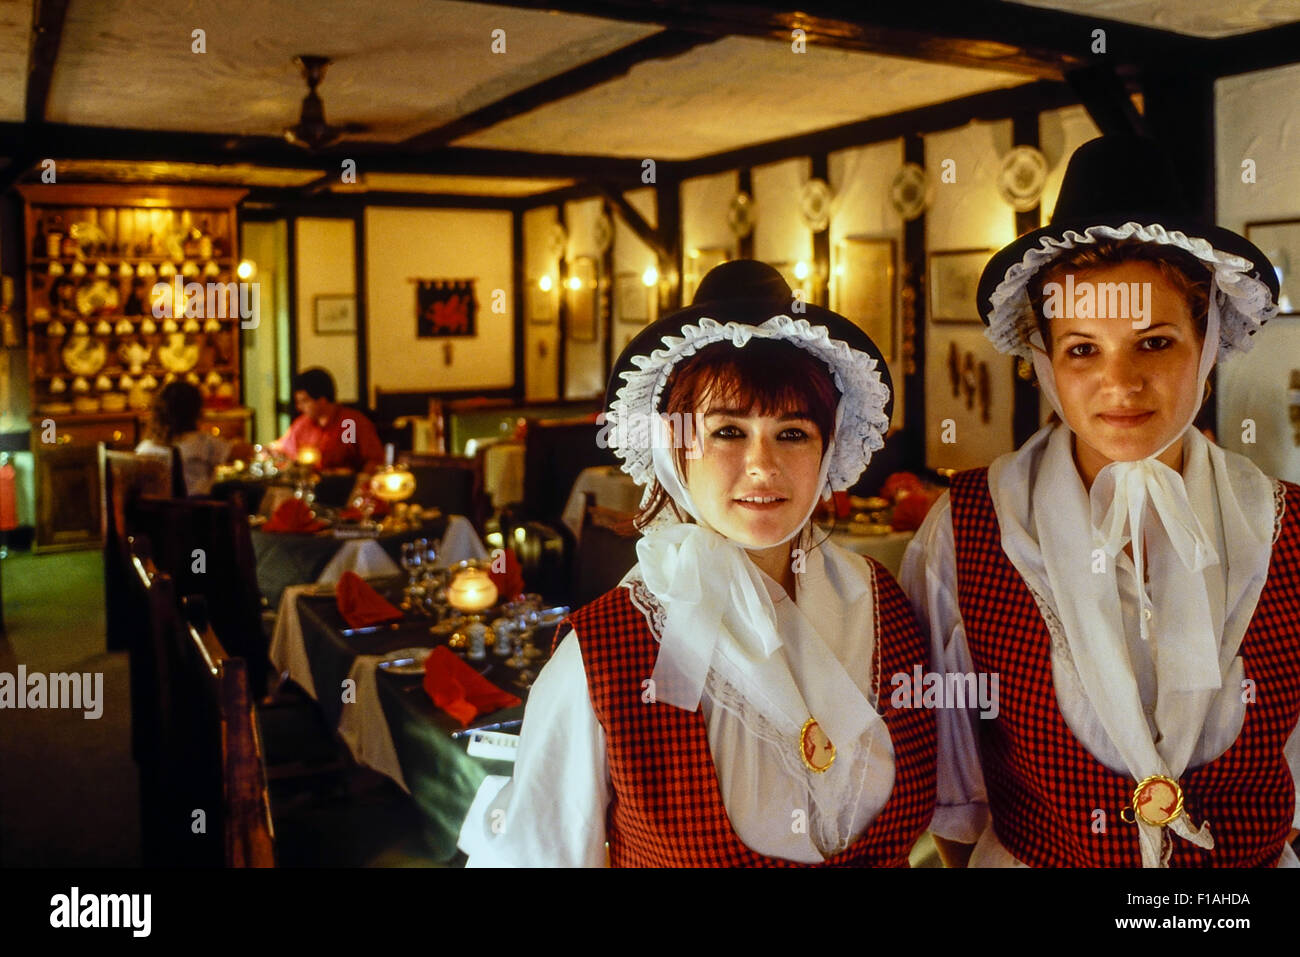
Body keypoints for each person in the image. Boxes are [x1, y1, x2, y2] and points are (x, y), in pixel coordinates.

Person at [901, 135, 1300, 868]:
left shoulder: (1290, 531)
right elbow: (955, 805)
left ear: (1206, 344)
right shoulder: (968, 529)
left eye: (1154, 342)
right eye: (1083, 348)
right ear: (1045, 356)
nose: (1121, 384)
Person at [459, 260, 936, 866]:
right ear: (674, 448)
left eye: (792, 433)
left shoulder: (886, 606)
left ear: (828, 448)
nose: (762, 466)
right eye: (728, 432)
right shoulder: (605, 652)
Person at [136, 380, 253, 496]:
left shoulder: (144, 448)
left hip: (157, 511)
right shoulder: (202, 442)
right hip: (199, 509)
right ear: (195, 411)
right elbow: (244, 453)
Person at [272, 367, 384, 472]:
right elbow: (282, 447)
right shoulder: (303, 423)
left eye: (304, 401)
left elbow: (375, 460)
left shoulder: (349, 423)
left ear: (322, 400)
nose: (299, 407)